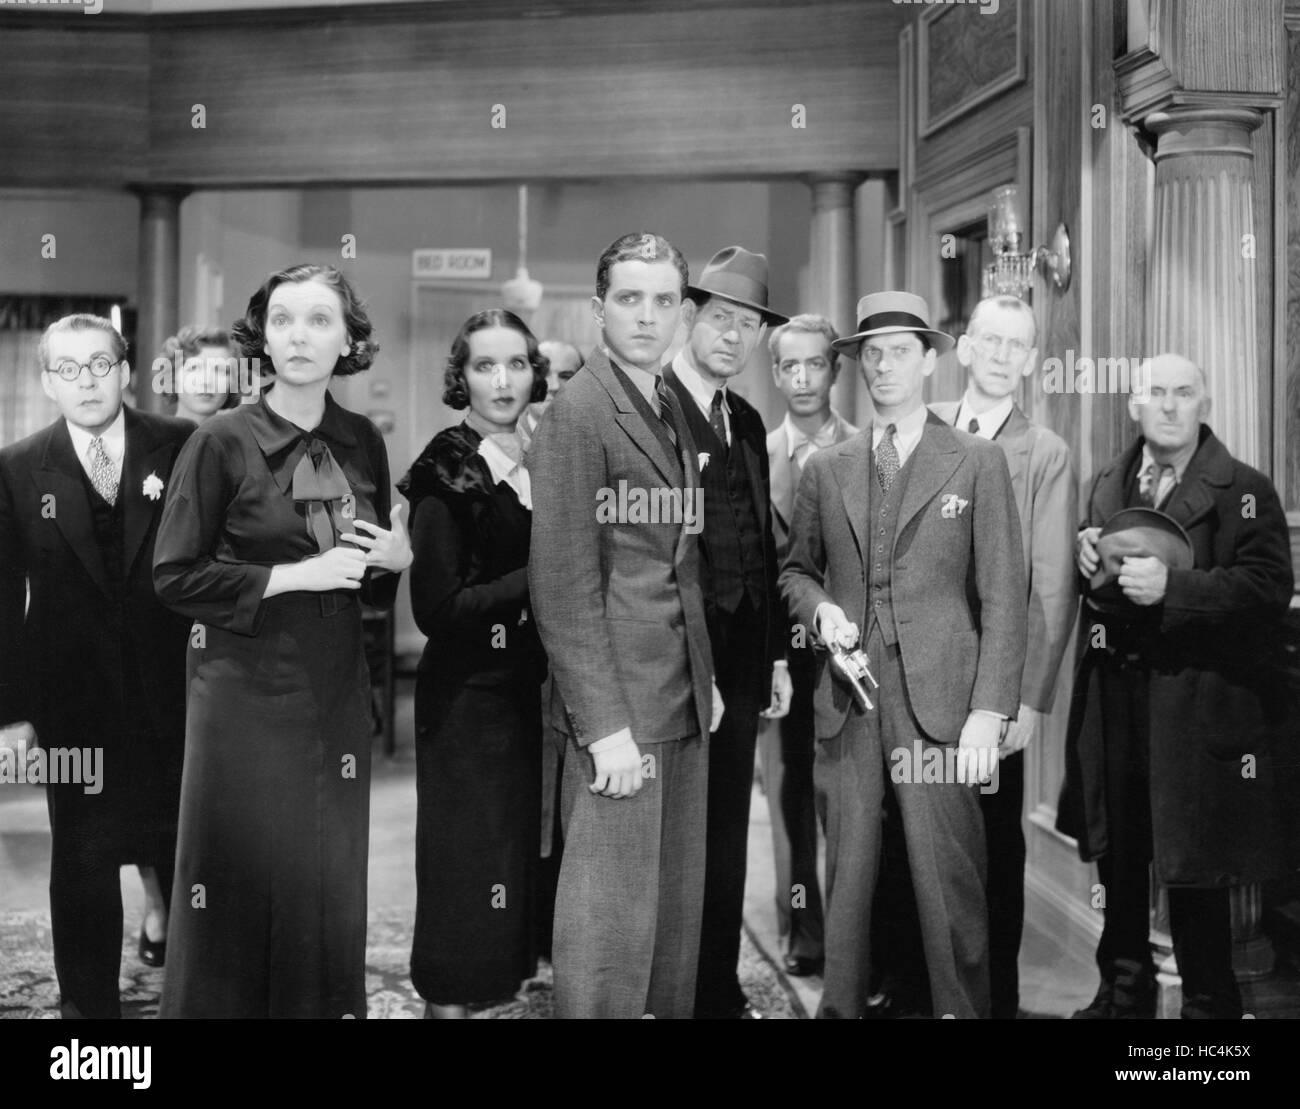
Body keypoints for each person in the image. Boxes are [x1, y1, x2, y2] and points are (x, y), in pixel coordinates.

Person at [153, 263, 410, 1018]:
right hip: (240, 695)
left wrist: (396, 561)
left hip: (333, 693)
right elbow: (174, 577)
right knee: (232, 883)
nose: (299, 335)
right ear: (262, 336)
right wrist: (295, 576)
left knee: (324, 881)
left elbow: (368, 576)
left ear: (349, 339)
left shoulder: (362, 439)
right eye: (284, 319)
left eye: (320, 319)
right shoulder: (220, 440)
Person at [778, 291, 1027, 1019]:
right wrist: (822, 612)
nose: (885, 365)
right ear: (857, 365)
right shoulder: (828, 467)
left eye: (900, 351)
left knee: (948, 878)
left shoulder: (976, 462)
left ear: (928, 360)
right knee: (848, 880)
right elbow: (796, 570)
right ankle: (842, 1009)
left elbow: (1005, 595)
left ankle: (962, 1009)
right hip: (850, 700)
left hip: (943, 704)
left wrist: (989, 711)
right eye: (873, 354)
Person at [1060, 353, 1295, 1020]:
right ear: (1134, 401)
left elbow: (1268, 587)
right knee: (1121, 853)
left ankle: (1207, 1013)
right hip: (1116, 697)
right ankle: (1122, 995)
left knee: (1194, 871)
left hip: (1196, 705)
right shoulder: (1109, 478)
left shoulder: (1242, 488)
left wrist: (1177, 589)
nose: (1168, 405)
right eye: (1155, 392)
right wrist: (1087, 559)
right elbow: (1101, 576)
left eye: (1183, 392)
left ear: (1203, 401)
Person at [527, 231, 722, 1019]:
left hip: (676, 694)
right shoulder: (581, 409)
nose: (648, 316)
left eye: (665, 300)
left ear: (682, 311)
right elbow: (562, 583)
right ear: (600, 306)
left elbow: (681, 560)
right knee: (608, 927)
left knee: (670, 916)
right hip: (618, 710)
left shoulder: (669, 398)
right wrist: (603, 725)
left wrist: (702, 677)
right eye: (630, 299)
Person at [0, 314, 194, 1018]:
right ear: (48, 380)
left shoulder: (180, 446)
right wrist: (12, 712)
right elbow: (1, 600)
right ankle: (89, 1020)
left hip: (178, 693)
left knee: (184, 848)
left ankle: (196, 994)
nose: (87, 381)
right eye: (69, 368)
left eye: (101, 364)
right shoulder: (17, 467)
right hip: (71, 703)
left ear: (127, 370)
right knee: (80, 860)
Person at [914, 295, 1075, 1018]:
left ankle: (994, 1002)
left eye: (1020, 344)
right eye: (992, 340)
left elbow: (1050, 582)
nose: (1005, 354)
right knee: (914, 839)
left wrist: (1029, 697)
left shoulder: (1043, 453)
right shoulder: (920, 430)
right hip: (915, 675)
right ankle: (918, 990)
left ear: (1032, 359)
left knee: (990, 847)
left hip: (992, 685)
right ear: (964, 349)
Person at [398, 309, 549, 1018]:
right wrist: (540, 575)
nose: (502, 379)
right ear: (461, 377)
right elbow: (439, 608)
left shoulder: (538, 455)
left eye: (516, 363)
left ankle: (495, 987)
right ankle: (448, 997)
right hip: (465, 699)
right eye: (485, 365)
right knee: (465, 859)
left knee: (511, 852)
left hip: (527, 689)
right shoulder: (444, 469)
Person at [662, 245, 790, 1019]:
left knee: (727, 828)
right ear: (687, 318)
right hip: (678, 656)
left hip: (744, 654)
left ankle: (716, 982)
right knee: (677, 831)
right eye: (720, 319)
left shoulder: (744, 416)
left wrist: (774, 652)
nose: (735, 338)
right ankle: (671, 987)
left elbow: (764, 545)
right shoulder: (653, 406)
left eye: (748, 326)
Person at [758, 313, 857, 979]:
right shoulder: (752, 454)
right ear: (774, 374)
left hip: (849, 650)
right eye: (788, 366)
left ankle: (856, 936)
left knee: (851, 799)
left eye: (813, 364)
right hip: (775, 653)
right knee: (788, 791)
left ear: (834, 369)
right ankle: (805, 931)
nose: (800, 379)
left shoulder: (870, 446)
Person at [159, 325, 243, 425]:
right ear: (172, 377)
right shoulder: (152, 439)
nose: (206, 381)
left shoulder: (244, 439)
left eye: (220, 370)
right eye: (193, 368)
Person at [518, 339, 582, 452]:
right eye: (544, 374)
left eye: (566, 376)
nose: (554, 386)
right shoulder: (494, 447)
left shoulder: (600, 441)